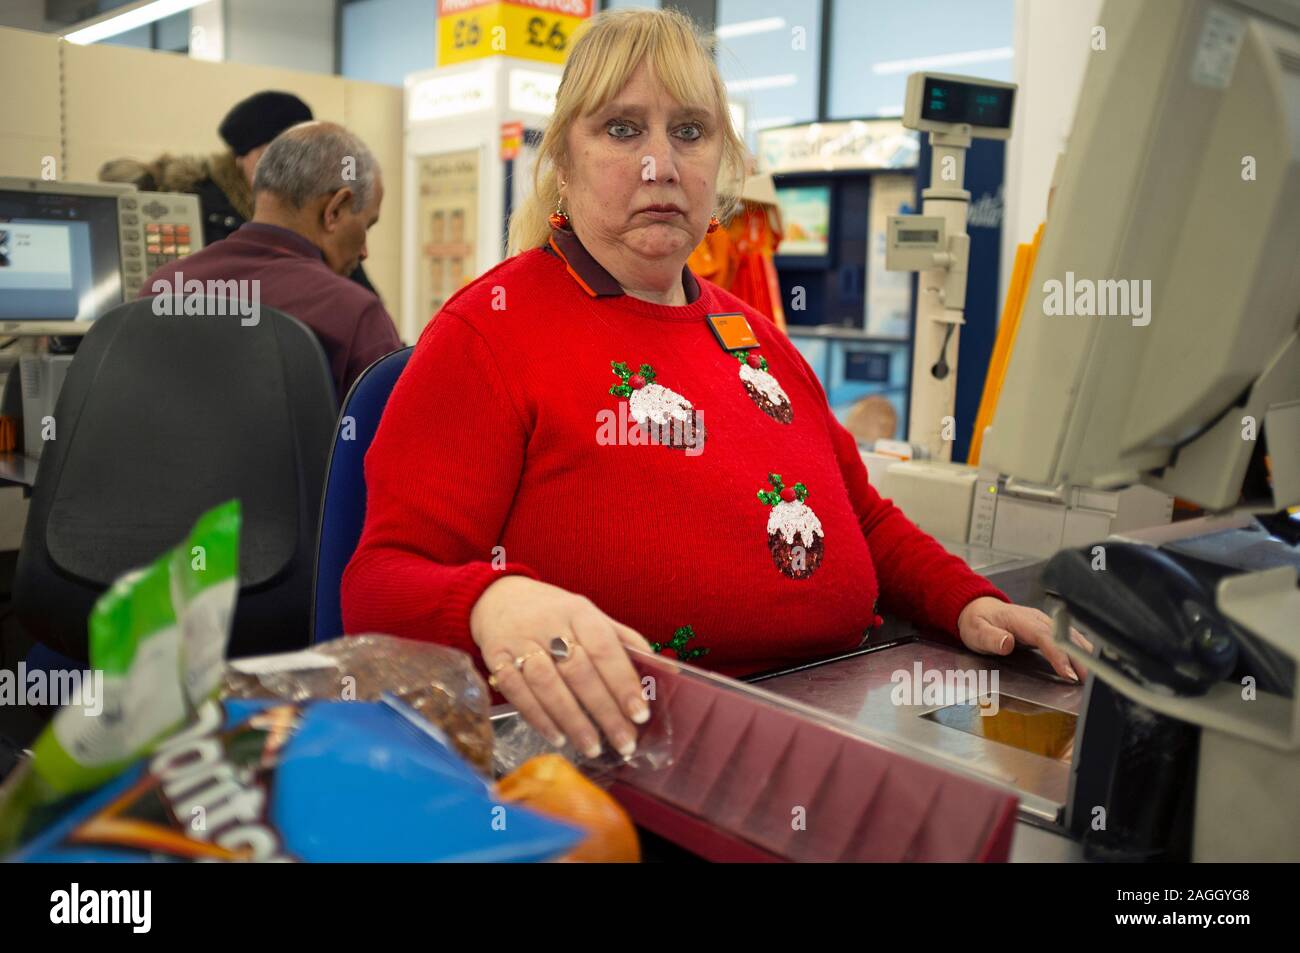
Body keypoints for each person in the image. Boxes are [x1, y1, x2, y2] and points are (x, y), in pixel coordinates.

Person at [342, 8, 1086, 760]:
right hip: (617, 768)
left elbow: (863, 520)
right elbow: (376, 582)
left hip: (824, 727)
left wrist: (968, 599)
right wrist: (490, 601)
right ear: (564, 159)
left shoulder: (753, 336)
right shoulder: (491, 331)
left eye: (690, 132)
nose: (659, 164)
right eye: (623, 129)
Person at [138, 122, 401, 398]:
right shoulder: (356, 318)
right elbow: (398, 435)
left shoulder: (158, 292)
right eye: (366, 226)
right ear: (334, 210)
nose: (364, 252)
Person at [100, 90, 378, 297]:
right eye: (274, 154)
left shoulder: (320, 207)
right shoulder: (202, 209)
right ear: (242, 157)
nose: (289, 166)